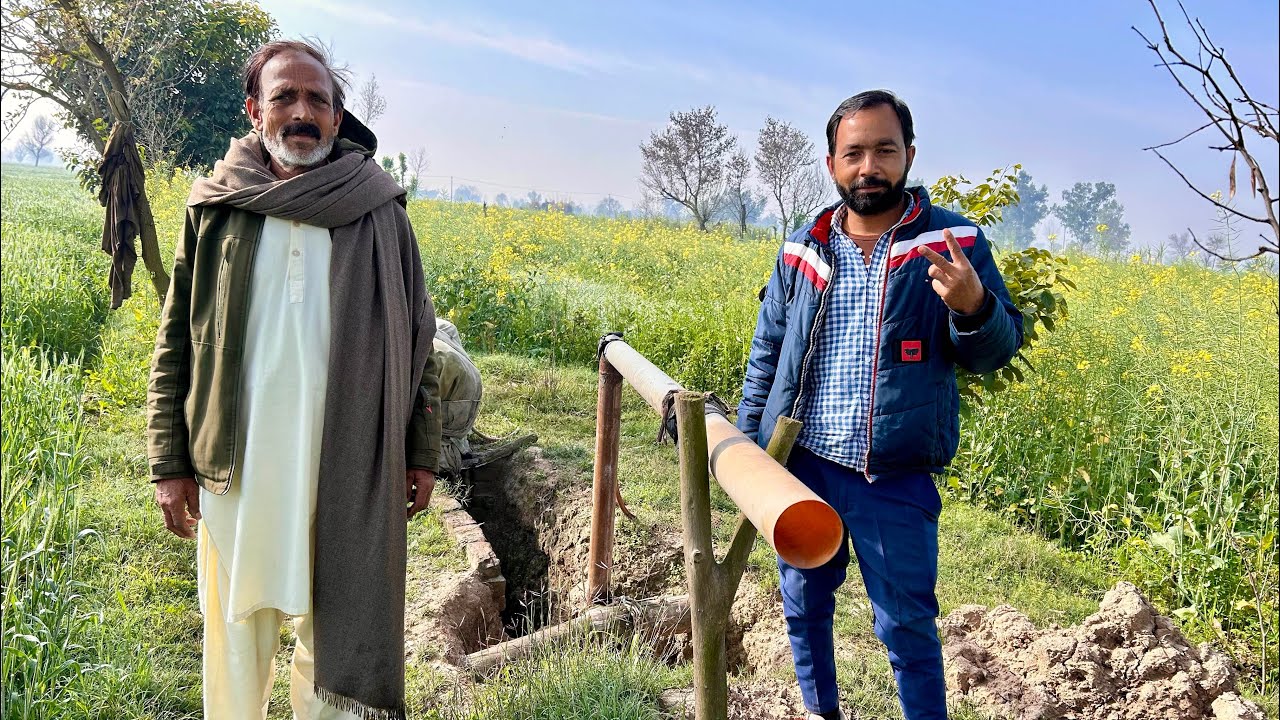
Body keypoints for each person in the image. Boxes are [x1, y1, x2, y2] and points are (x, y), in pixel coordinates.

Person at [147, 39, 441, 720]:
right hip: (237, 470)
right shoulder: (217, 209)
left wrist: (421, 452)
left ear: (338, 119)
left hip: (345, 469)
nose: (301, 112)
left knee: (339, 630)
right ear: (255, 111)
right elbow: (176, 344)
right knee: (234, 638)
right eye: (284, 96)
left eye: (318, 99)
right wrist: (168, 461)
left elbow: (418, 341)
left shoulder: (380, 210)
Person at [736, 90, 1023, 720]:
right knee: (804, 605)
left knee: (908, 627)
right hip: (804, 467)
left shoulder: (954, 244)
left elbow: (992, 352)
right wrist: (748, 447)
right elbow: (769, 350)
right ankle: (819, 711)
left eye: (885, 150)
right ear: (833, 164)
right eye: (854, 152)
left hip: (892, 474)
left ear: (909, 156)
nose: (870, 166)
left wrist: (973, 307)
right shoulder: (803, 247)